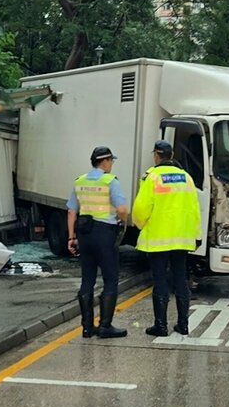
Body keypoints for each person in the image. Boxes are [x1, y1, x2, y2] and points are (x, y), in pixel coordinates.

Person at [133, 140, 202, 337]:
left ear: (156, 155)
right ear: (171, 155)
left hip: (158, 239)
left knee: (160, 280)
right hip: (181, 238)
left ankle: (160, 326)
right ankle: (183, 324)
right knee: (181, 279)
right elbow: (194, 210)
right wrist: (195, 234)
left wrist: (141, 225)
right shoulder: (186, 178)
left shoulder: (152, 177)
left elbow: (140, 209)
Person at [67, 146, 129, 339]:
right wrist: (120, 220)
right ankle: (105, 326)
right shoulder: (111, 181)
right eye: (111, 161)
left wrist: (71, 237)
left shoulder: (80, 181)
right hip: (105, 233)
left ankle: (86, 328)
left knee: (88, 279)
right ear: (105, 161)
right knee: (110, 278)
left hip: (84, 233)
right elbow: (122, 209)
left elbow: (71, 211)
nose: (112, 165)